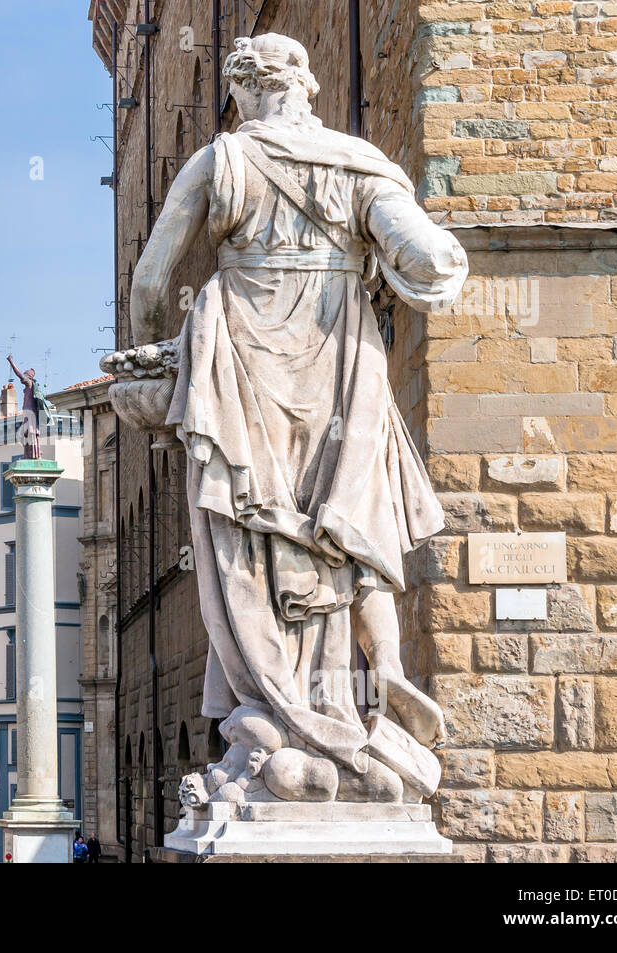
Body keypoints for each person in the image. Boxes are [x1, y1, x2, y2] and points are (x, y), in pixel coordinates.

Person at [120, 34, 464, 805]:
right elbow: (429, 259)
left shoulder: (220, 163)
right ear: (307, 87)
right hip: (342, 363)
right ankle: (376, 683)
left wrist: (152, 359)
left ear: (241, 94)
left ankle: (277, 710)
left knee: (253, 531)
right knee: (353, 530)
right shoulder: (359, 165)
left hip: (241, 367)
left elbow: (149, 281)